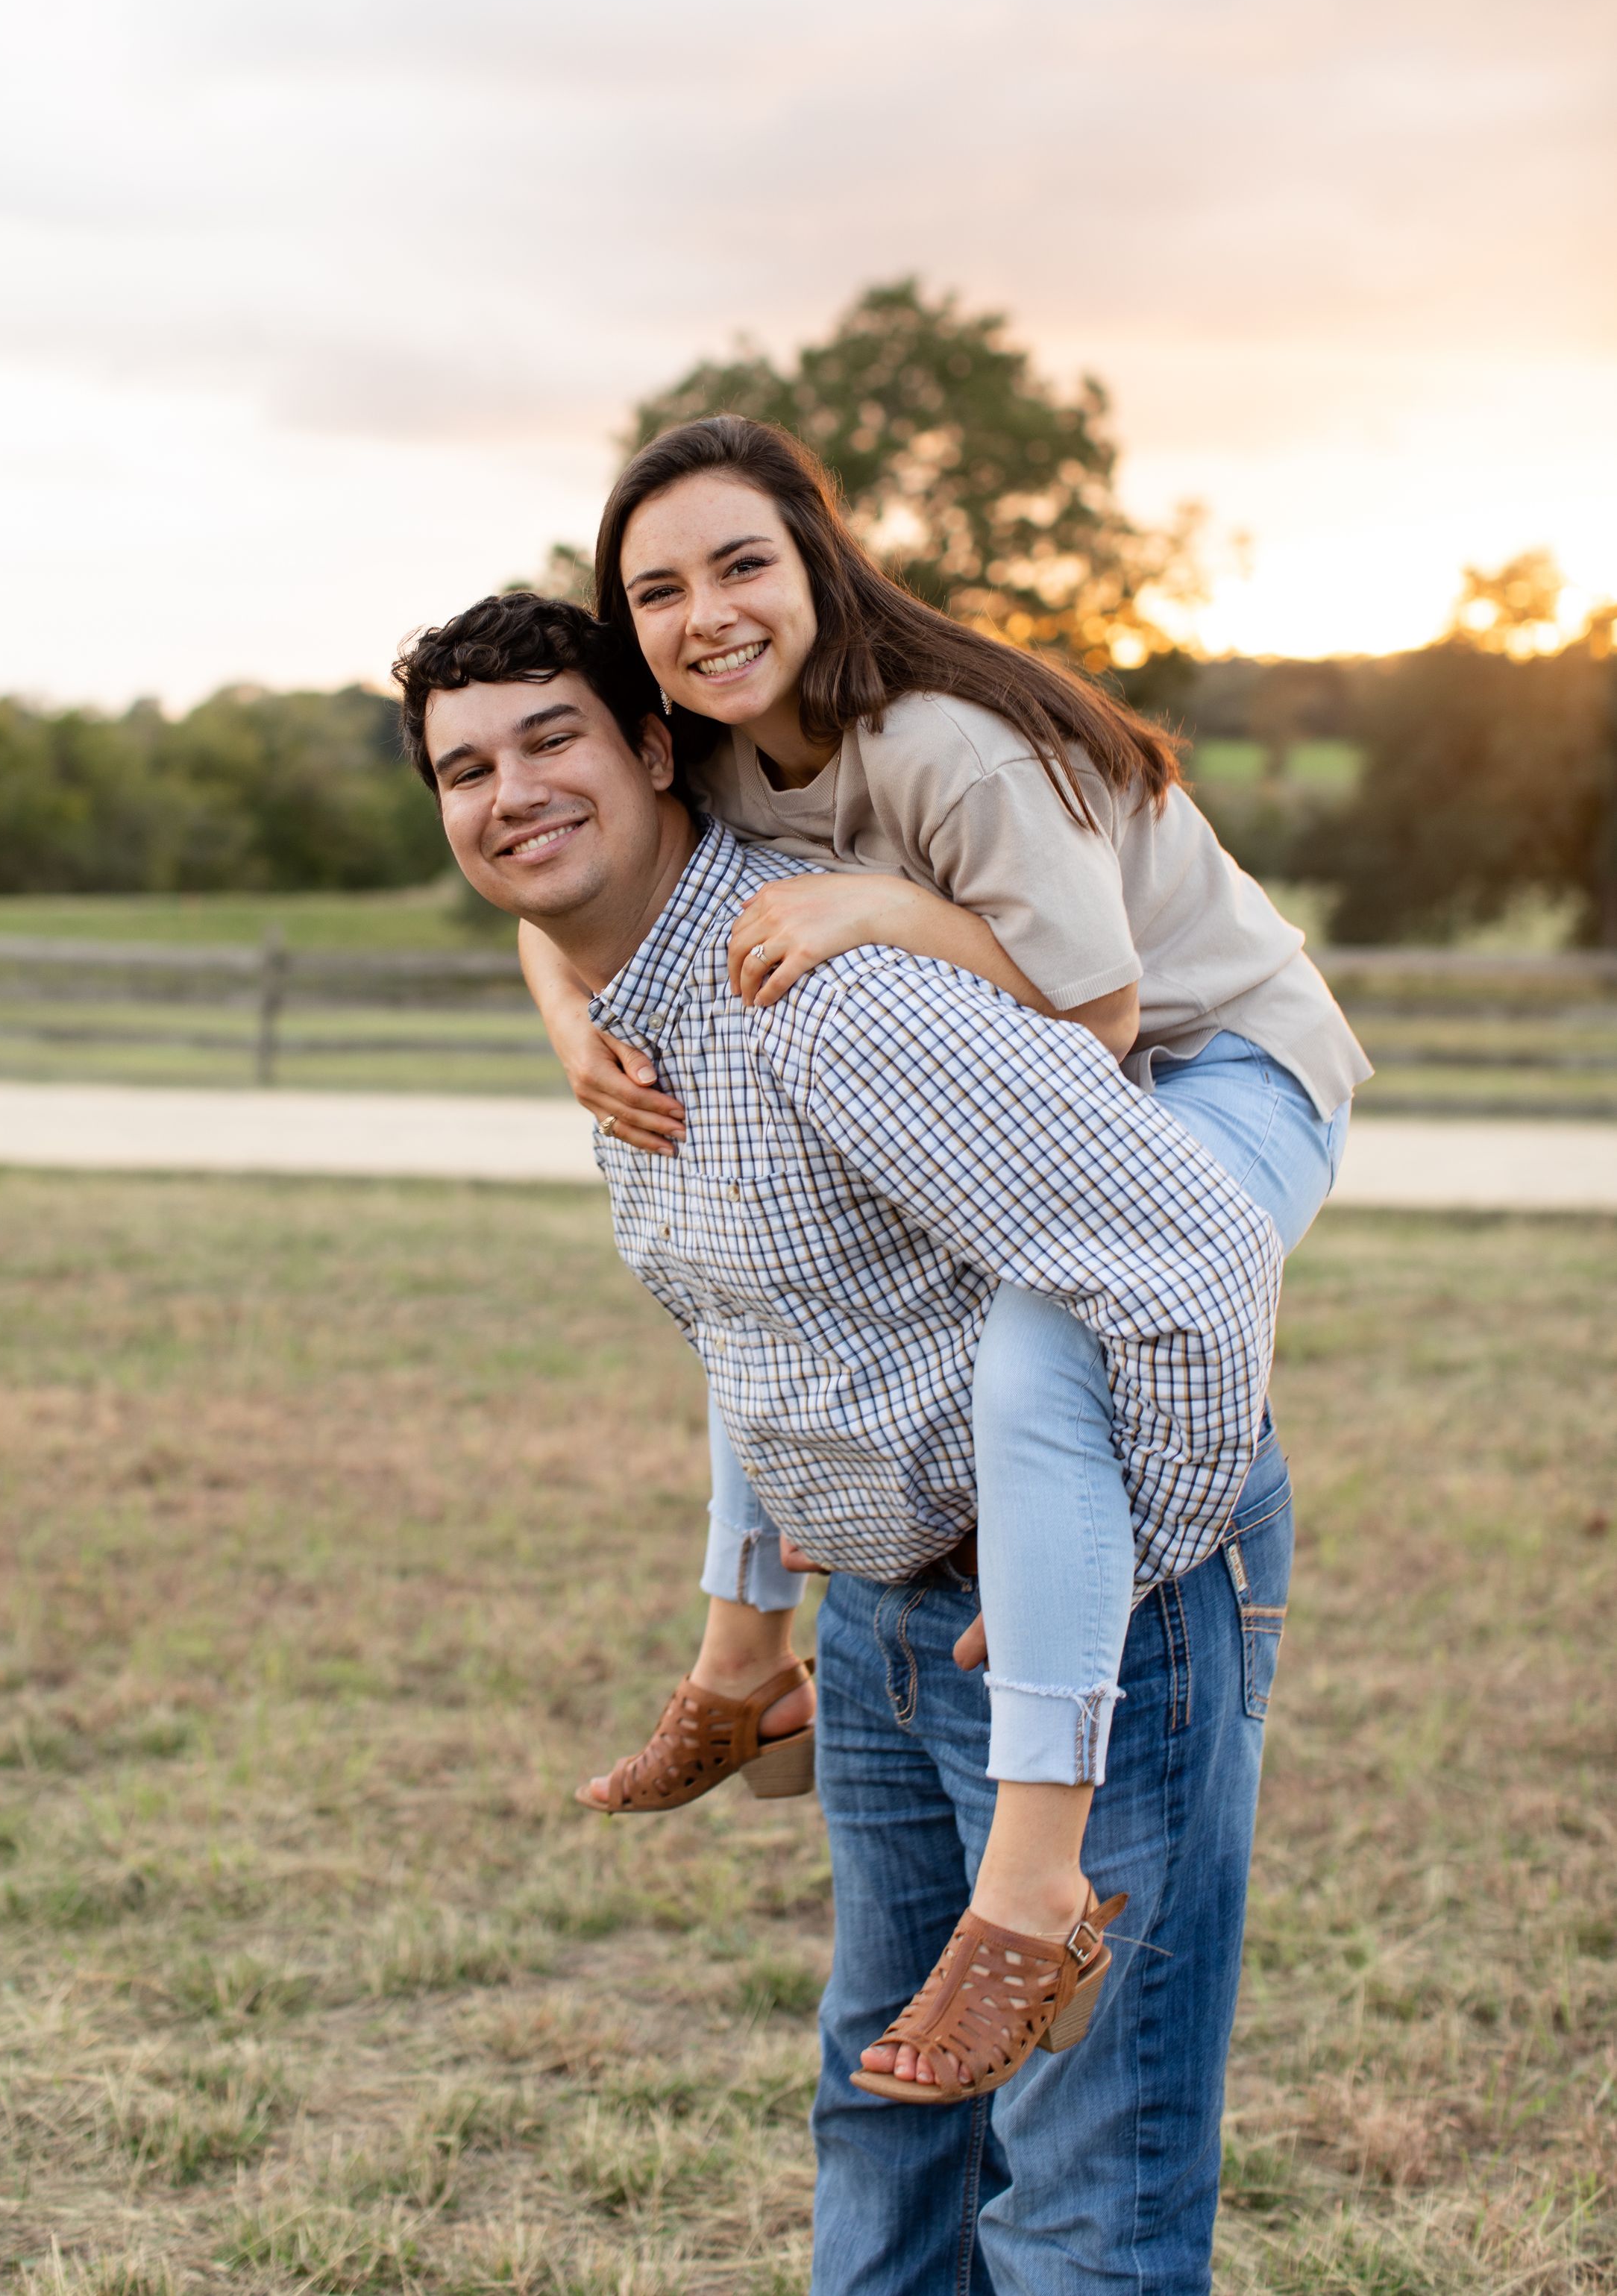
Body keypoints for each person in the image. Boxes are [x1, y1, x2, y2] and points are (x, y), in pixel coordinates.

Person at [395, 589, 1296, 2291]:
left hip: (1073, 1611)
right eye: (463, 769)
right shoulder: (627, 1011)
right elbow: (763, 1315)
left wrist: (1148, 1566)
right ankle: (747, 1681)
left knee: (1079, 2186)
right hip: (886, 1610)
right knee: (880, 2114)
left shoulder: (831, 999)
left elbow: (1190, 1251)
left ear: (659, 750)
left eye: (550, 740)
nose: (506, 792)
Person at [517, 415, 1368, 2078]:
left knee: (1044, 1341)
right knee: (759, 1231)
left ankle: (1037, 1892)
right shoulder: (707, 751)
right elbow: (578, 891)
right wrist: (565, 1017)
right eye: (658, 592)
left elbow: (1104, 1015)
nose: (706, 615)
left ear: (818, 563)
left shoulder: (941, 746)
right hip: (1052, 1055)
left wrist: (885, 909)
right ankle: (742, 1660)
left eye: (741, 564)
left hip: (1215, 1063)